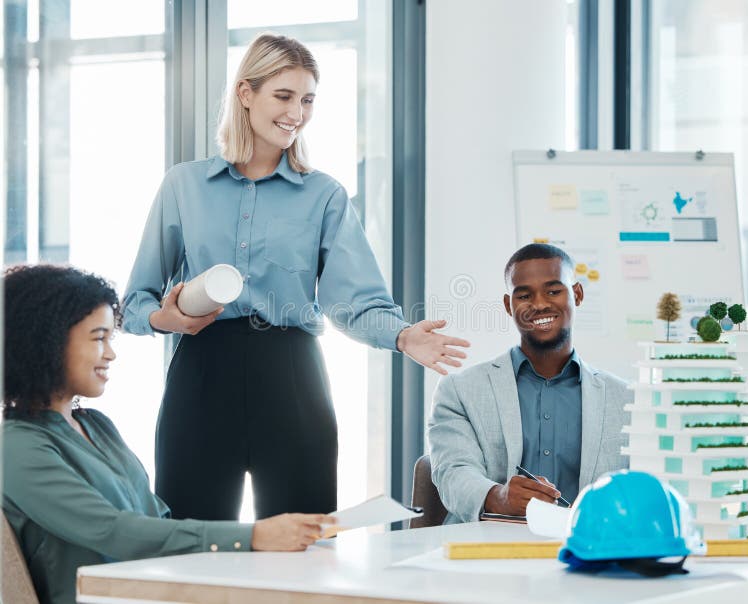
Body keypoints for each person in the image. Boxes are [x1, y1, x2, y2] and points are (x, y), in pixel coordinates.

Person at [122, 32, 469, 521]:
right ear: (246, 93)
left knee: (303, 543)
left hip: (292, 380)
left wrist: (402, 335)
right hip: (200, 376)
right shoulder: (183, 186)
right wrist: (165, 319)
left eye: (307, 100)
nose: (297, 113)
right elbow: (134, 302)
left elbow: (353, 302)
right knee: (191, 538)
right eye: (284, 96)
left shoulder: (324, 195)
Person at [1, 264, 336, 604]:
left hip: (151, 593)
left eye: (110, 338)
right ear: (46, 342)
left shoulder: (95, 425)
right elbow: (112, 530)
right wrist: (255, 535)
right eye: (99, 338)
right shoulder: (16, 447)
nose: (111, 353)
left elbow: (154, 519)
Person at [427, 244, 632, 524]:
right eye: (524, 295)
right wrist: (498, 496)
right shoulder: (459, 391)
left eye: (553, 291)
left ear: (577, 294)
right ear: (508, 306)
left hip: (588, 544)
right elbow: (452, 472)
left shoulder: (625, 399)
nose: (539, 304)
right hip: (487, 543)